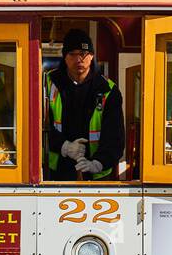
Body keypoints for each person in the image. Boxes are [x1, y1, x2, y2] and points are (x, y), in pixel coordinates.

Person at [46, 28, 124, 180]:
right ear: (64, 57)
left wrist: (98, 163)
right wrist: (65, 147)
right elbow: (36, 127)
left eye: (83, 54)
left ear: (92, 56)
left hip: (97, 173)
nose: (78, 60)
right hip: (56, 170)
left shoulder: (108, 89)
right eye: (72, 54)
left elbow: (116, 137)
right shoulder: (48, 83)